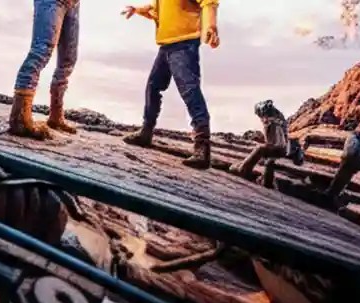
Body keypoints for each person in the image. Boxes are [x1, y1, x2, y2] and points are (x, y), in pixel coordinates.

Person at [120, 0, 221, 170]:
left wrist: (211, 26)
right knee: (153, 87)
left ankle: (202, 148)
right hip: (166, 46)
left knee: (190, 92)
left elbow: (209, 2)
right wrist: (137, 10)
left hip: (185, 45)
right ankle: (146, 132)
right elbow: (157, 11)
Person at [10, 0, 83, 141]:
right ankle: (19, 119)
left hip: (73, 4)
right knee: (41, 51)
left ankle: (56, 116)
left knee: (68, 60)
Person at [230, 100, 302, 186]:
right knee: (264, 153)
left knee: (260, 149)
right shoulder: (278, 118)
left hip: (280, 149)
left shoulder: (271, 122)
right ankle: (263, 180)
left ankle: (244, 170)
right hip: (283, 148)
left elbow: (274, 143)